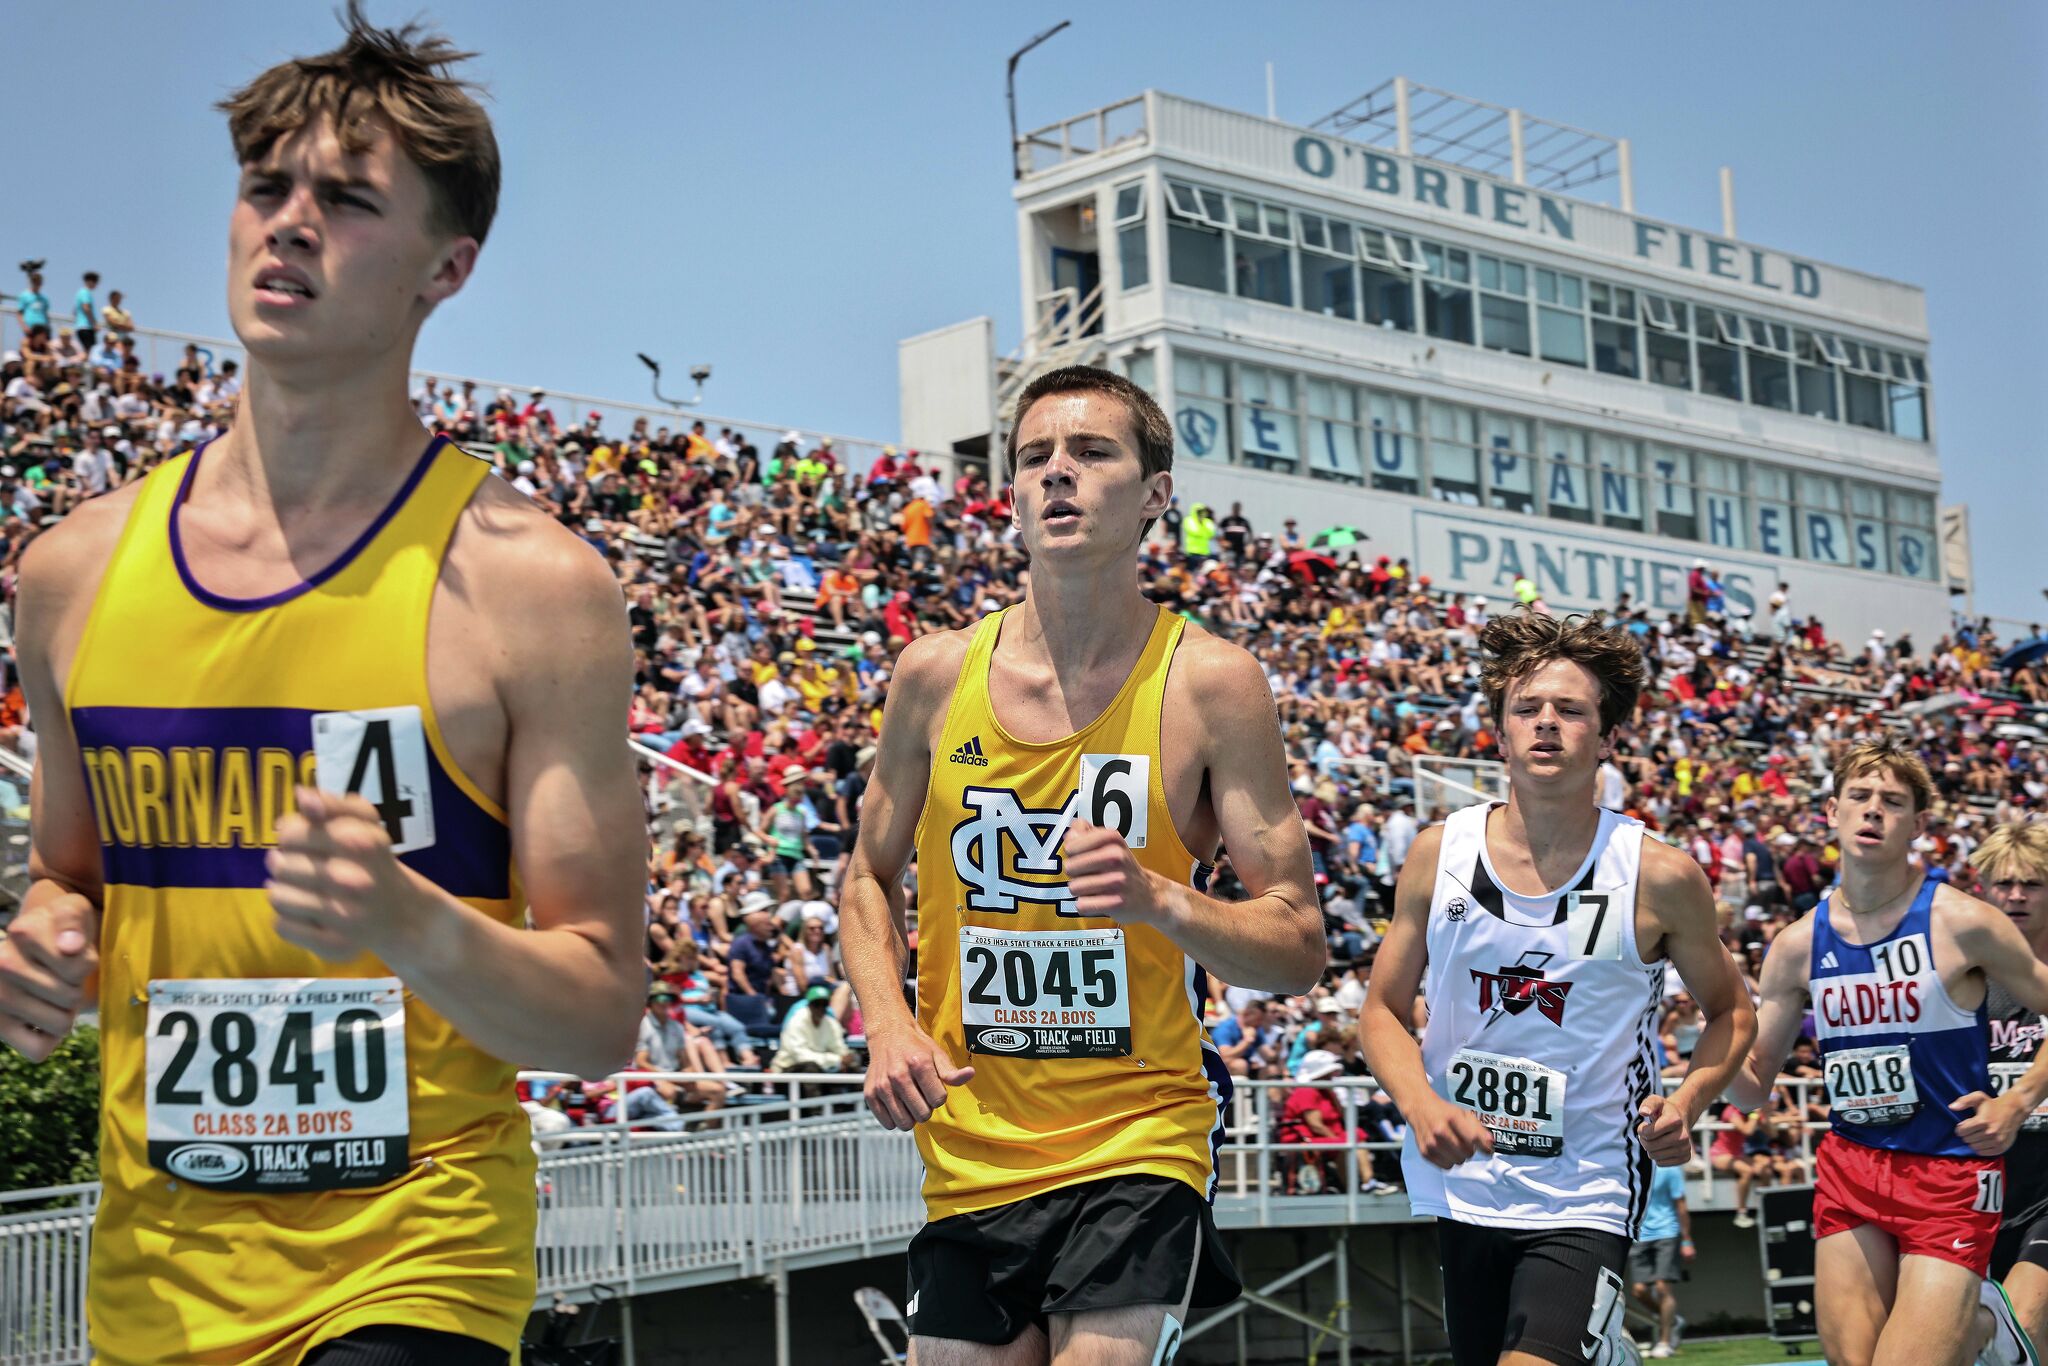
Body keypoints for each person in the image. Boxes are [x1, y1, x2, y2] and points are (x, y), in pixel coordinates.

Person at [0, 11, 647, 1364]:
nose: (289, 223)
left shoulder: (532, 589)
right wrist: (42, 944)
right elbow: (72, 879)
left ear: (446, 268)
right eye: (266, 187)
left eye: (347, 200)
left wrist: (408, 923)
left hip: (415, 1258)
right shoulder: (71, 572)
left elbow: (597, 1013)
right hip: (157, 1277)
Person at [841, 364, 1325, 1365]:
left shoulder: (1211, 684)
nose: (1057, 471)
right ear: (1012, 493)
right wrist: (885, 1023)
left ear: (1154, 494)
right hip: (969, 1146)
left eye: (1092, 451)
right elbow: (863, 878)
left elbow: (1296, 945)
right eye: (1034, 457)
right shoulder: (932, 674)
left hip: (1139, 1138)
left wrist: (1158, 899)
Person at [1359, 611, 1755, 1366]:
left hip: (1589, 1182)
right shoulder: (1438, 854)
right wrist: (1420, 1104)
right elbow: (1380, 1010)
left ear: (1607, 738)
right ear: (1499, 733)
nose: (1547, 723)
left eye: (1570, 710)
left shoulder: (1659, 875)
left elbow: (1732, 1012)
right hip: (1463, 1180)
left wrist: (1687, 1102)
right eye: (1527, 708)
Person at [1731, 744, 2048, 1366]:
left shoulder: (1965, 921)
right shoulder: (1795, 946)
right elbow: (1749, 1088)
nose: (1873, 810)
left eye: (1893, 802)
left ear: (1918, 824)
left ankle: (1990, 1332)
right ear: (1832, 811)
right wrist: (1718, 1028)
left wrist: (2017, 1101)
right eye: (1860, 796)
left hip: (1949, 1172)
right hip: (1852, 1166)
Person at [1971, 822, 2048, 1362]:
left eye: (2033, 884)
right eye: (2004, 883)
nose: (2017, 895)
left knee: (2020, 1323)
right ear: (1984, 890)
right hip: (1978, 1191)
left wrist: (2021, 1101)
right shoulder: (1962, 981)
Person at [1627, 1164, 1692, 1358]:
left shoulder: (1671, 1169)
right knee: (1639, 1291)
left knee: (1663, 1287)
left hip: (1667, 1232)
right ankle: (1672, 1321)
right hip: (1640, 1235)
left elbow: (1681, 1205)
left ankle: (1665, 1343)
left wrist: (1687, 1240)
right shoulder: (1632, 1166)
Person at [773, 983, 859, 1074]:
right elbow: (800, 1056)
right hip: (788, 1067)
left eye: (824, 1004)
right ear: (809, 1005)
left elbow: (838, 1048)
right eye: (816, 1004)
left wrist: (847, 1057)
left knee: (851, 1067)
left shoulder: (831, 1023)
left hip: (822, 1067)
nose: (820, 1008)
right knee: (811, 1068)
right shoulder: (796, 1021)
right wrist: (837, 1059)